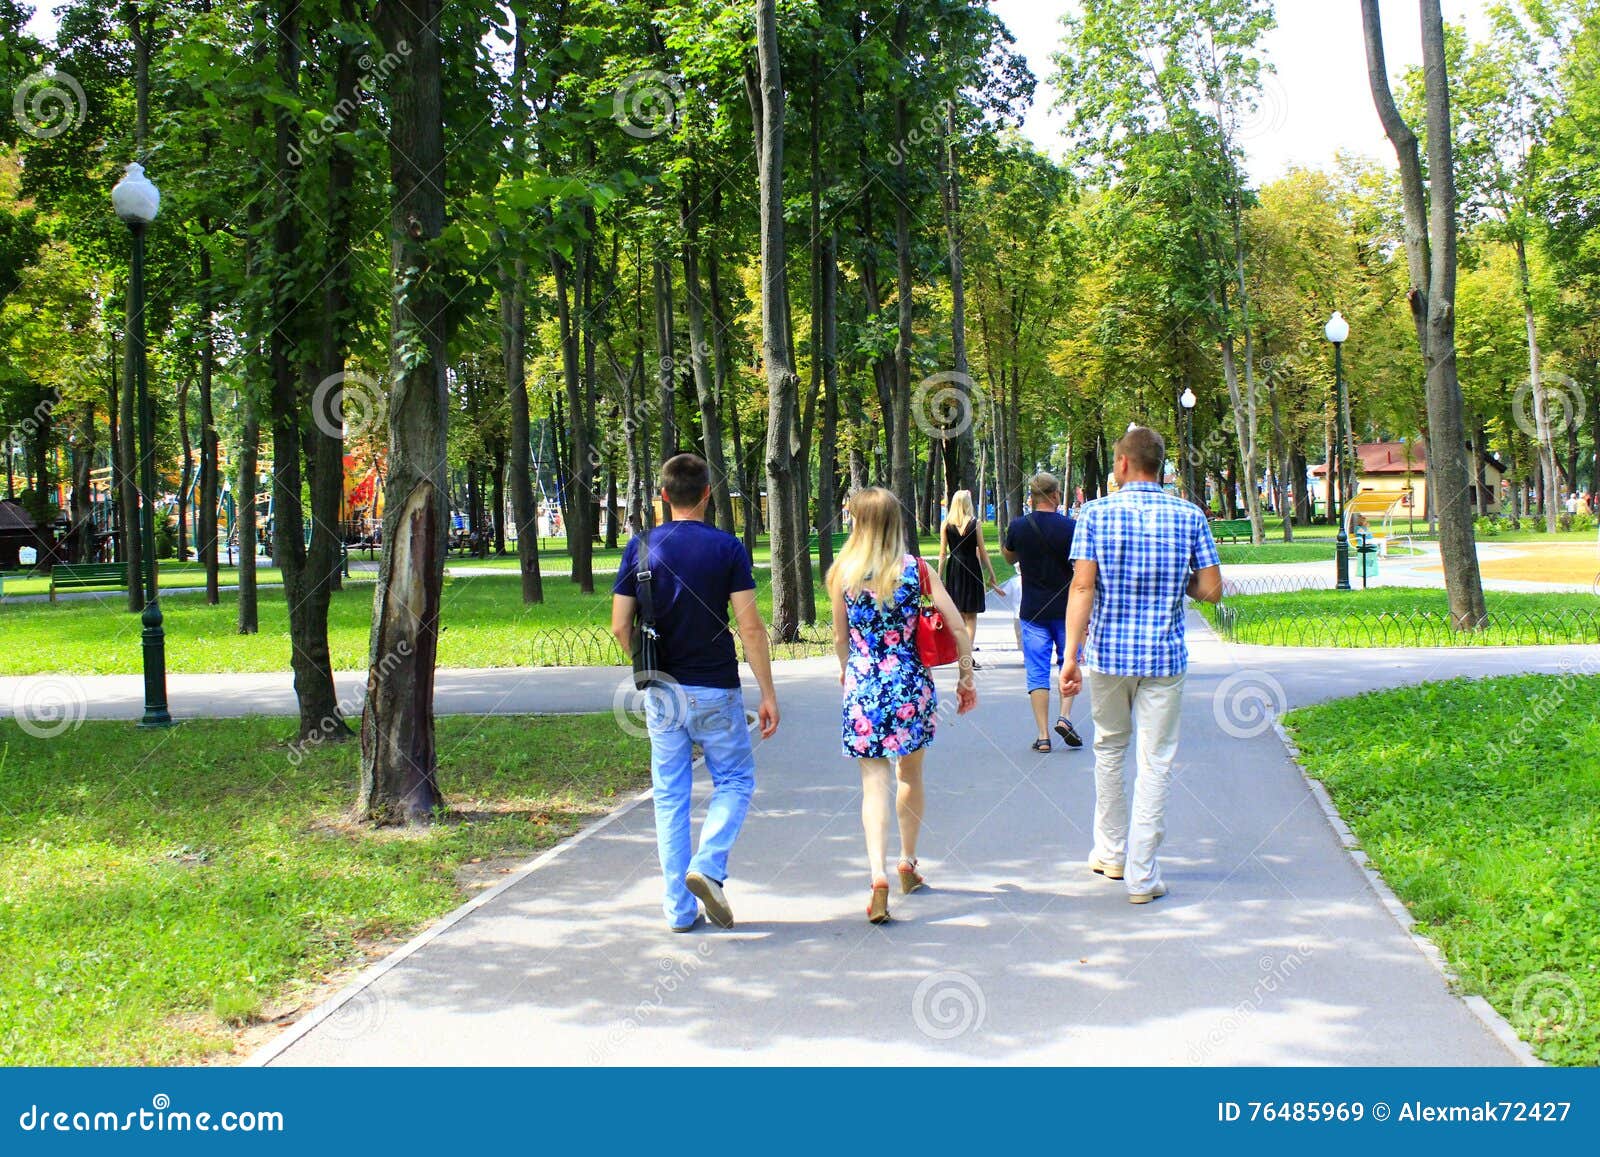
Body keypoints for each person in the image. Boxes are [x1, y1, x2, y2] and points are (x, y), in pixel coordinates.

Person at [611, 453, 780, 933]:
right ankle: (708, 865)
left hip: (662, 690)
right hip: (717, 687)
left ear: (664, 496)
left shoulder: (639, 549)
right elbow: (749, 625)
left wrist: (647, 663)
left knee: (670, 796)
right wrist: (767, 692)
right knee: (735, 781)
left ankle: (679, 912)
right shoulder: (728, 549)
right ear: (708, 493)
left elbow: (621, 625)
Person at [1059, 426, 1223, 905]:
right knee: (1157, 760)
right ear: (1161, 467)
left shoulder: (1094, 514)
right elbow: (1212, 589)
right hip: (1163, 657)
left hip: (1109, 655)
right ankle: (1143, 875)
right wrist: (1179, 584)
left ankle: (1110, 853)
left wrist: (1070, 656)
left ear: (1125, 464)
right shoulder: (1190, 516)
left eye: (1115, 461)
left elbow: (1083, 588)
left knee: (1109, 750)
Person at [830, 487, 976, 924]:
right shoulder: (918, 570)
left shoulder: (844, 574)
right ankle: (908, 863)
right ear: (896, 522)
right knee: (909, 774)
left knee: (873, 783)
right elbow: (957, 627)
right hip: (910, 683)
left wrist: (847, 671)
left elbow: (840, 639)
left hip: (863, 684)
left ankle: (877, 876)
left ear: (858, 522)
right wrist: (966, 676)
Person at [1002, 472, 1081, 753]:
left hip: (1032, 609)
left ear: (1031, 498)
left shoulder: (1019, 526)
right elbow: (1081, 567)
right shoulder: (1070, 527)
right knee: (1068, 662)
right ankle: (1066, 717)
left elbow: (1009, 556)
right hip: (1067, 609)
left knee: (1036, 672)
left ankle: (1044, 735)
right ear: (1056, 495)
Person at [936, 489, 1002, 668]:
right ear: (967, 504)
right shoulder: (975, 523)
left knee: (958, 614)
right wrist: (991, 574)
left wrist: (939, 576)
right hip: (972, 567)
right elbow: (982, 550)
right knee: (971, 617)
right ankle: (967, 656)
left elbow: (943, 553)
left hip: (954, 569)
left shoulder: (946, 524)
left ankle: (961, 652)